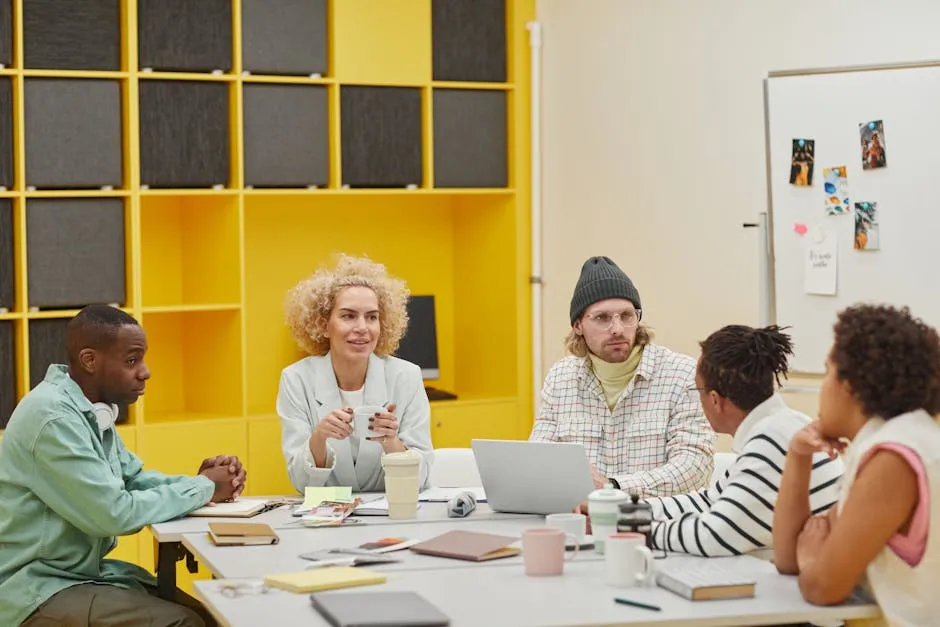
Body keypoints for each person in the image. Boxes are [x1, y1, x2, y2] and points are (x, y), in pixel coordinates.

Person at [0, 305, 247, 627]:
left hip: (73, 574)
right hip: (34, 587)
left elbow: (132, 479)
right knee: (185, 623)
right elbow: (113, 513)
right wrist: (204, 487)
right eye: (132, 361)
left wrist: (202, 483)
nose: (145, 372)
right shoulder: (53, 418)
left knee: (213, 615)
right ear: (90, 360)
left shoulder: (86, 410)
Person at [774, 304, 940, 625]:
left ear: (849, 383)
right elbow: (788, 557)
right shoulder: (893, 441)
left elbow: (822, 585)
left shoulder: (894, 458)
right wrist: (798, 454)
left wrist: (813, 562)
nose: (823, 388)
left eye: (827, 373)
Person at [640, 324, 843, 558]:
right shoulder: (785, 423)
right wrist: (627, 510)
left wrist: (635, 529)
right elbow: (711, 500)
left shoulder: (770, 439)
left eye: (699, 391)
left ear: (715, 400)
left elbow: (713, 536)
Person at [530, 256, 715, 497]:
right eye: (602, 318)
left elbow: (694, 468)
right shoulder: (560, 378)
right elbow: (539, 458)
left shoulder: (682, 374)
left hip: (657, 523)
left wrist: (613, 487)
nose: (617, 328)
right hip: (581, 520)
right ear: (578, 326)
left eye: (627, 316)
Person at [278, 254, 434, 493]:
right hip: (326, 524)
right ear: (323, 325)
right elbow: (301, 483)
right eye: (348, 316)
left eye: (372, 317)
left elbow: (421, 478)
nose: (362, 328)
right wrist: (319, 437)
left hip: (392, 516)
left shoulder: (406, 377)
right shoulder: (296, 379)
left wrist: (390, 442)